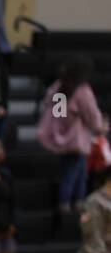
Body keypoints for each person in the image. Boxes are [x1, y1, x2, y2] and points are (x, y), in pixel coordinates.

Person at [38, 55, 106, 214]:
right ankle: (68, 204)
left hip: (62, 137)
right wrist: (99, 127)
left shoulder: (59, 86)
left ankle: (75, 203)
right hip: (77, 138)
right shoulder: (82, 90)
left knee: (78, 172)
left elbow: (58, 114)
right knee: (73, 174)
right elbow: (91, 114)